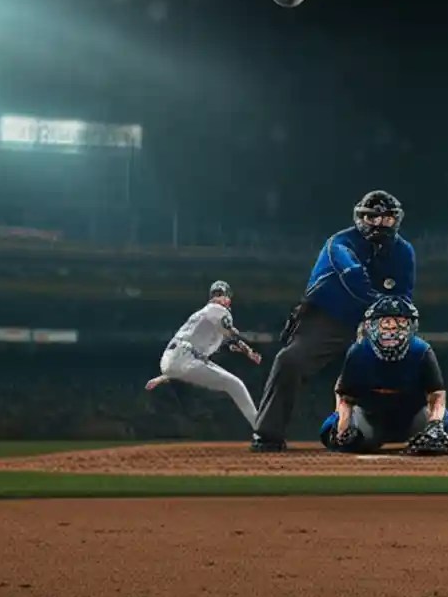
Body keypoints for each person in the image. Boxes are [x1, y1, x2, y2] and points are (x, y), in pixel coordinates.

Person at [250, 190, 417, 452]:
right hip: (328, 319)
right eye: (373, 218)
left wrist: (387, 323)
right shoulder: (339, 243)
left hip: (378, 322)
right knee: (289, 360)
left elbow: (405, 298)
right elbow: (355, 281)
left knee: (415, 359)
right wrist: (381, 305)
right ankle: (267, 433)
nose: (380, 224)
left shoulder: (404, 251)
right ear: (360, 218)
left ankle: (419, 426)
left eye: (387, 219)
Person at [318, 296, 448, 455]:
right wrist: (343, 429)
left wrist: (434, 426)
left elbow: (437, 395)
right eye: (386, 323)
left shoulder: (422, 351)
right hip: (370, 418)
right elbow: (346, 397)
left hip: (412, 417)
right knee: (331, 430)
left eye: (399, 323)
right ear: (372, 327)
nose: (392, 329)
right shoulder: (358, 352)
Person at [145, 280, 263, 427]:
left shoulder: (203, 314)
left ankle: (259, 427)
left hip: (173, 358)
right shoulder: (219, 310)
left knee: (214, 369)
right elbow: (233, 335)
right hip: (186, 358)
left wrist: (165, 375)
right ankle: (261, 429)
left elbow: (219, 344)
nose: (225, 299)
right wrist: (250, 352)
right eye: (223, 296)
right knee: (235, 385)